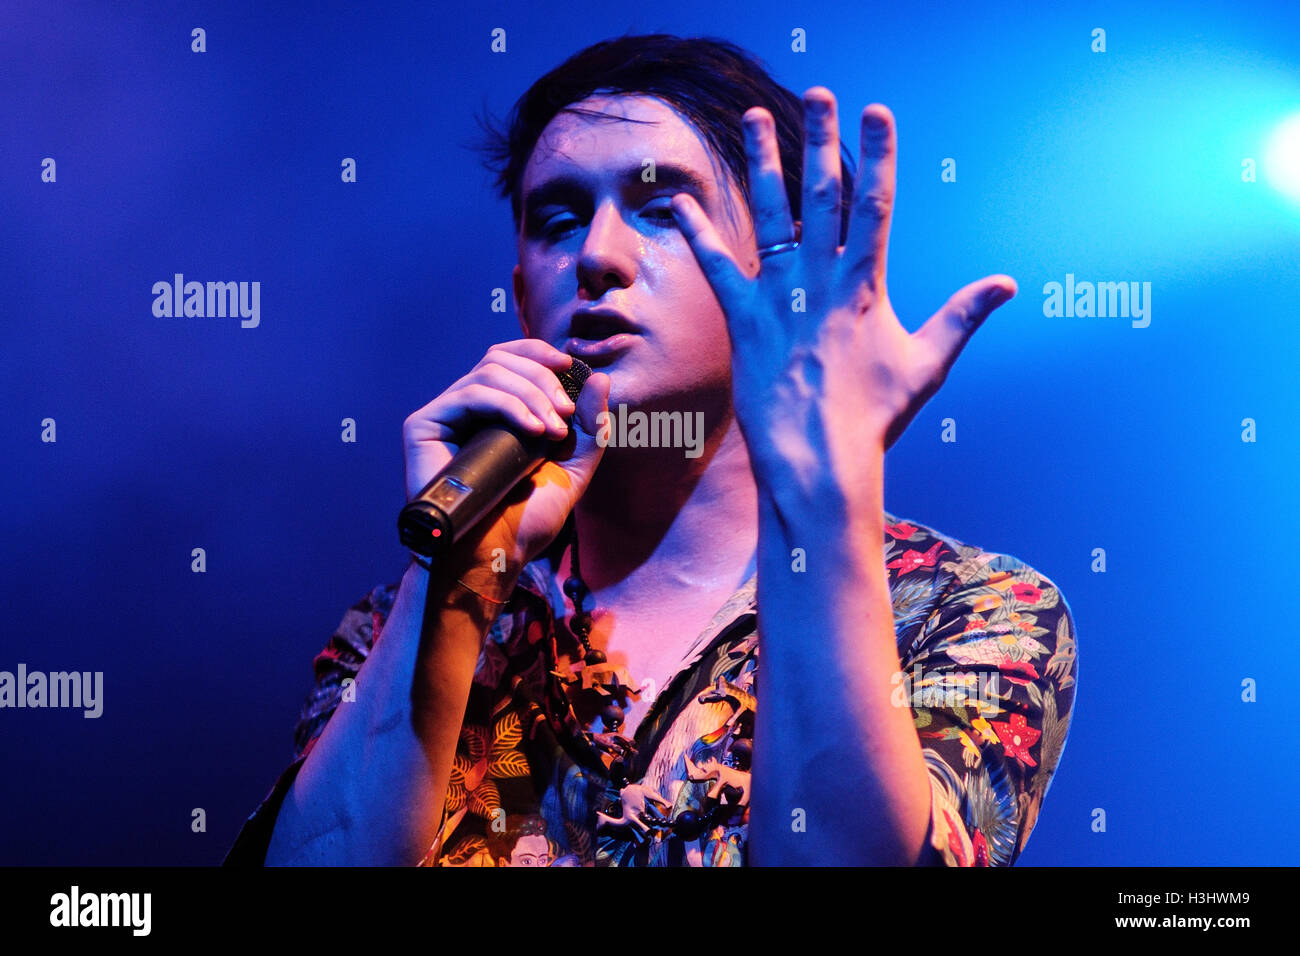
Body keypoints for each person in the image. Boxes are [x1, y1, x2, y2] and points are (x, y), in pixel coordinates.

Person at [225, 33, 1078, 867]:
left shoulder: (968, 611)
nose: (595, 255)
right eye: (558, 222)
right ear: (524, 300)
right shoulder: (393, 627)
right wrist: (453, 573)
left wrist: (820, 492)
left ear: (785, 271)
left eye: (663, 209)